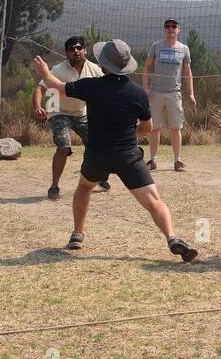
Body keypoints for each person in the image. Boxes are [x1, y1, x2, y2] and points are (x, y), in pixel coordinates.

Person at [32, 39, 198, 261]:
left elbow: (57, 87)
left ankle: (78, 234)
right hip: (128, 156)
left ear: (103, 65)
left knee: (83, 188)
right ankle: (172, 237)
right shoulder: (138, 93)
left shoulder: (91, 85)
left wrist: (43, 71)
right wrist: (129, 130)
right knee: (154, 201)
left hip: (97, 156)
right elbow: (147, 129)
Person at [33, 35, 110, 199]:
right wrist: (38, 107)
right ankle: (54, 186)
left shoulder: (94, 69)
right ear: (66, 53)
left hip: (81, 113)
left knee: (97, 145)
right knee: (64, 147)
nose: (76, 51)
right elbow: (40, 89)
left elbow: (109, 86)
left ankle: (96, 176)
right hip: (59, 112)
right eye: (71, 49)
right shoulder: (58, 70)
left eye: (78, 48)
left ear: (85, 51)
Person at [142, 18, 196, 171]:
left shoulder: (184, 49)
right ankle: (152, 160)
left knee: (175, 128)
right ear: (164, 29)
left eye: (174, 26)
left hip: (174, 93)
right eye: (167, 26)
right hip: (156, 93)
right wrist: (145, 88)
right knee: (154, 128)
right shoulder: (156, 46)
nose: (170, 29)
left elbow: (187, 72)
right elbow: (146, 67)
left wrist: (191, 93)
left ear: (179, 30)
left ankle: (177, 161)